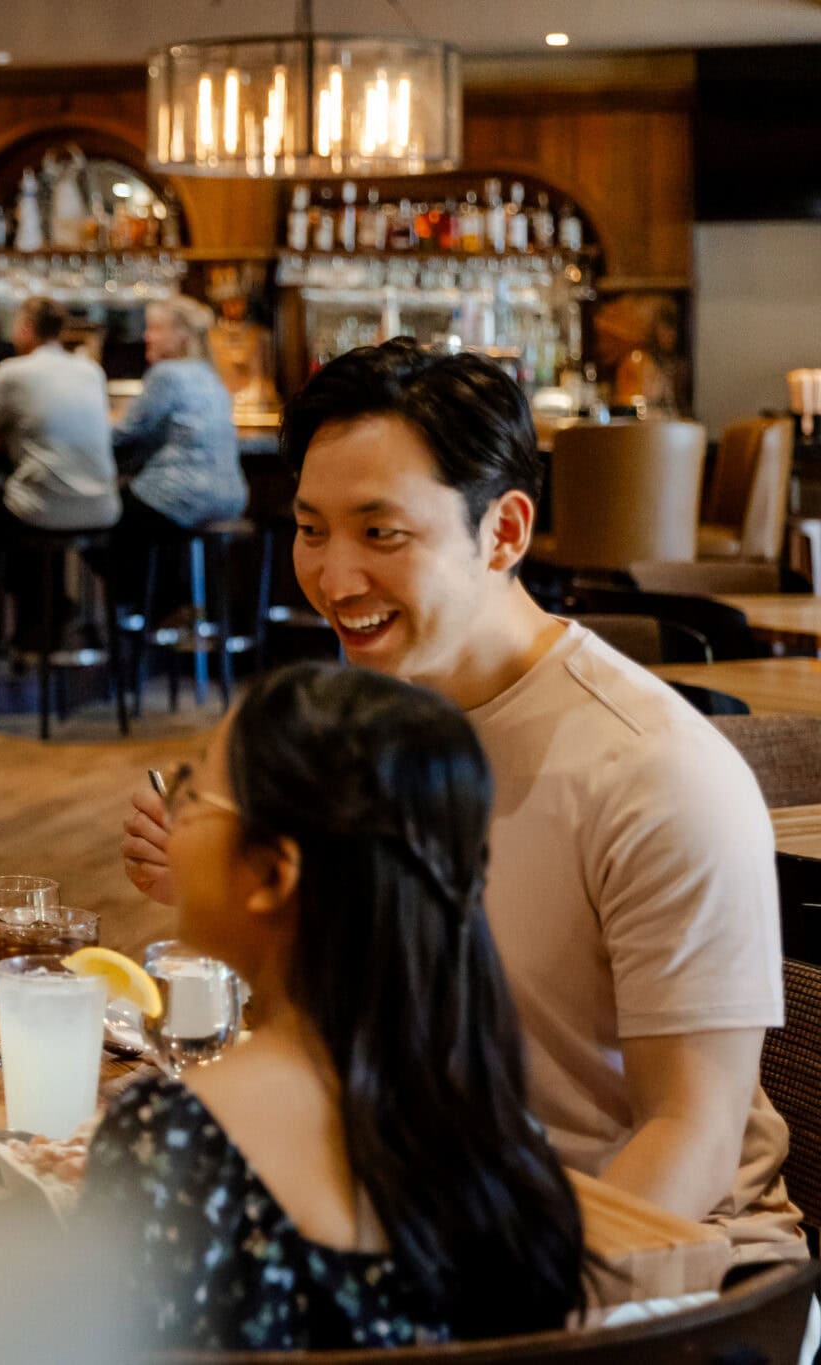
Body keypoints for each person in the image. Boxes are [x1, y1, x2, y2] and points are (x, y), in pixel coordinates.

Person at [120, 338, 803, 1268]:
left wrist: (501, 1316)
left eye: (382, 532)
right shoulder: (378, 724)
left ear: (506, 532)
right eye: (312, 529)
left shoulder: (656, 773)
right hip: (426, 1222)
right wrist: (239, 900)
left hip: (652, 1272)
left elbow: (693, 1134)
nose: (333, 576)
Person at [88, 662, 584, 1348]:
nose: (169, 813)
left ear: (271, 873)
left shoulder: (173, 1145)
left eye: (193, 788)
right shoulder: (502, 1141)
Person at [0, 296, 120, 534]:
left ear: (27, 328)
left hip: (41, 512)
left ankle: (23, 573)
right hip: (104, 509)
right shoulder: (92, 371)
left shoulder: (12, 372)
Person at [113, 294, 246, 536]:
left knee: (105, 513)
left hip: (181, 496)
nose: (146, 336)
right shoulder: (209, 374)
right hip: (231, 497)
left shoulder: (166, 373)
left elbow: (126, 432)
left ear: (182, 336)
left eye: (156, 329)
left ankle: (150, 575)